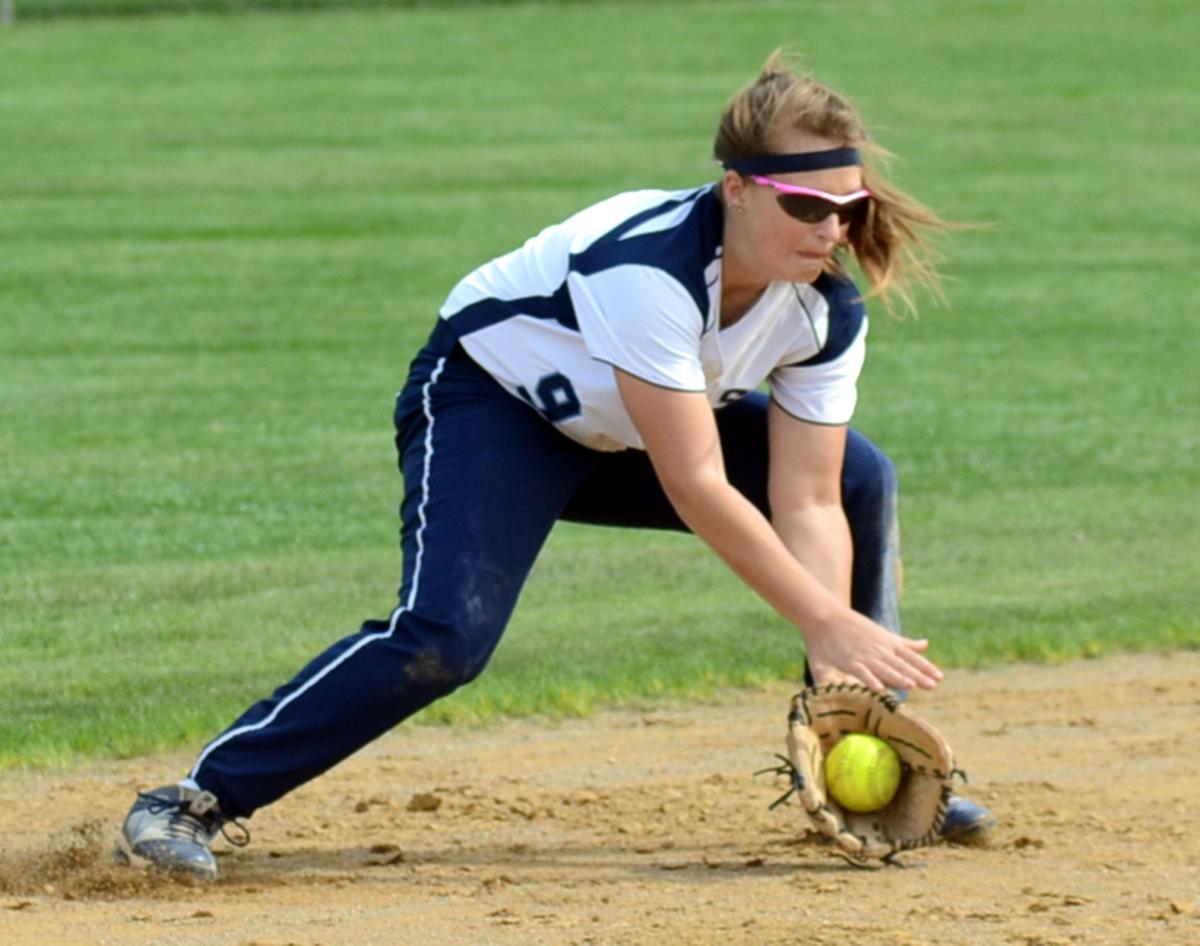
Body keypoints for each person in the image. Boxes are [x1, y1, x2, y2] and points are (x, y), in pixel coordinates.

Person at [118, 52, 994, 881]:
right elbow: (694, 484)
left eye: (849, 206)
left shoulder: (824, 308)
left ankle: (859, 742)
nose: (832, 227)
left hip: (631, 431)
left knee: (857, 477)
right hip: (496, 411)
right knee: (445, 641)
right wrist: (823, 617)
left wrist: (831, 646)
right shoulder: (647, 269)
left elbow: (805, 495)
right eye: (806, 204)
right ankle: (194, 799)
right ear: (736, 189)